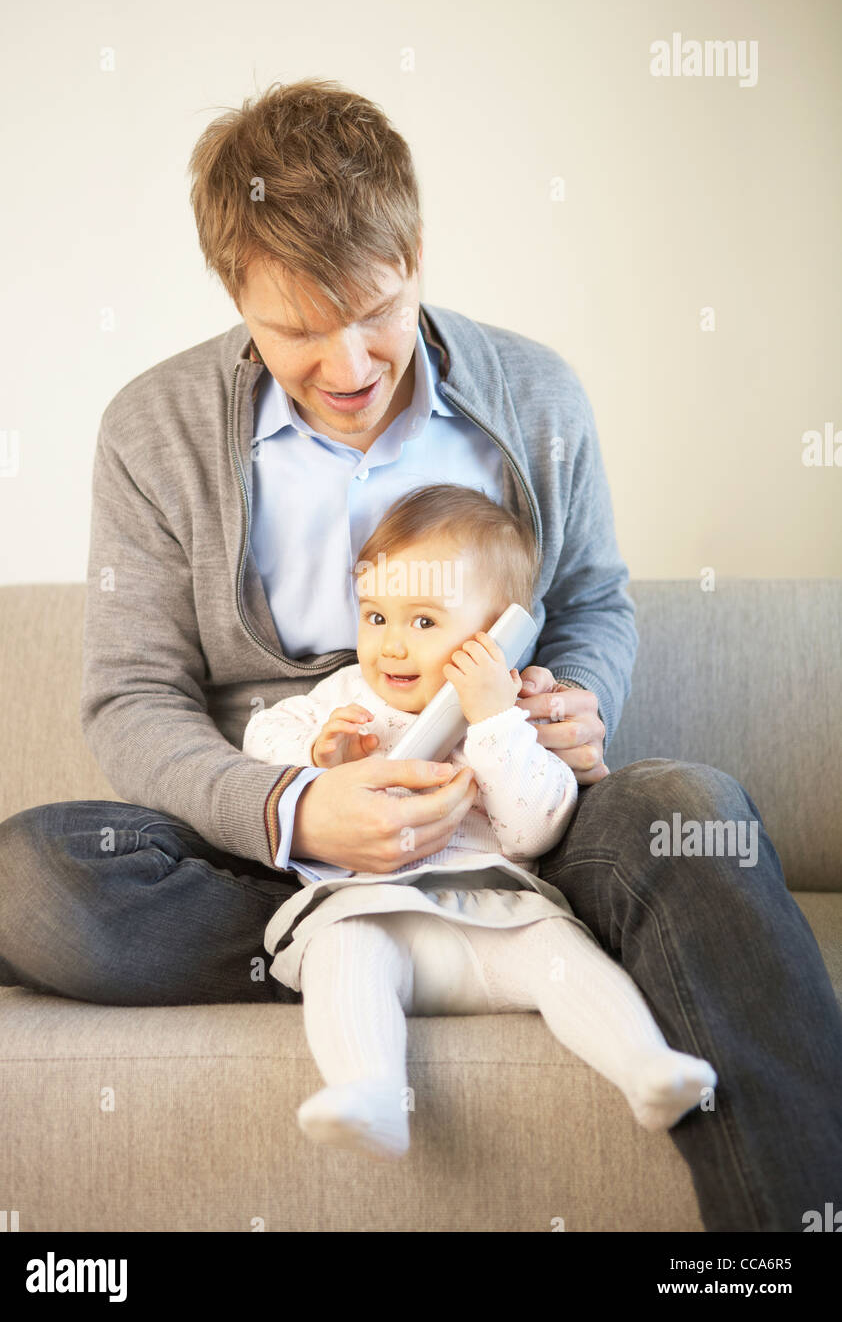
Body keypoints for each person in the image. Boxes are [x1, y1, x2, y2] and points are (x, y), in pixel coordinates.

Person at [0, 77, 839, 1230]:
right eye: (295, 328)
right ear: (233, 290)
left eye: (375, 310)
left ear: (416, 251)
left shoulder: (533, 397)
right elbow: (133, 697)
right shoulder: (153, 428)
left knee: (698, 809)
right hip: (274, 853)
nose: (346, 366)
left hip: (509, 816)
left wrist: (577, 696)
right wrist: (294, 808)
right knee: (29, 880)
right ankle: (407, 937)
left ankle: (790, 1244)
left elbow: (589, 602)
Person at [241, 481, 718, 1159]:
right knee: (342, 951)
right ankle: (368, 1092)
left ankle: (647, 1067)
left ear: (502, 636)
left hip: (493, 918)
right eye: (375, 617)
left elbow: (536, 829)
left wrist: (493, 720)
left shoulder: (517, 720)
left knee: (561, 952)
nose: (392, 647)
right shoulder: (345, 697)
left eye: (424, 622)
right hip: (373, 912)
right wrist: (324, 761)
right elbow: (257, 740)